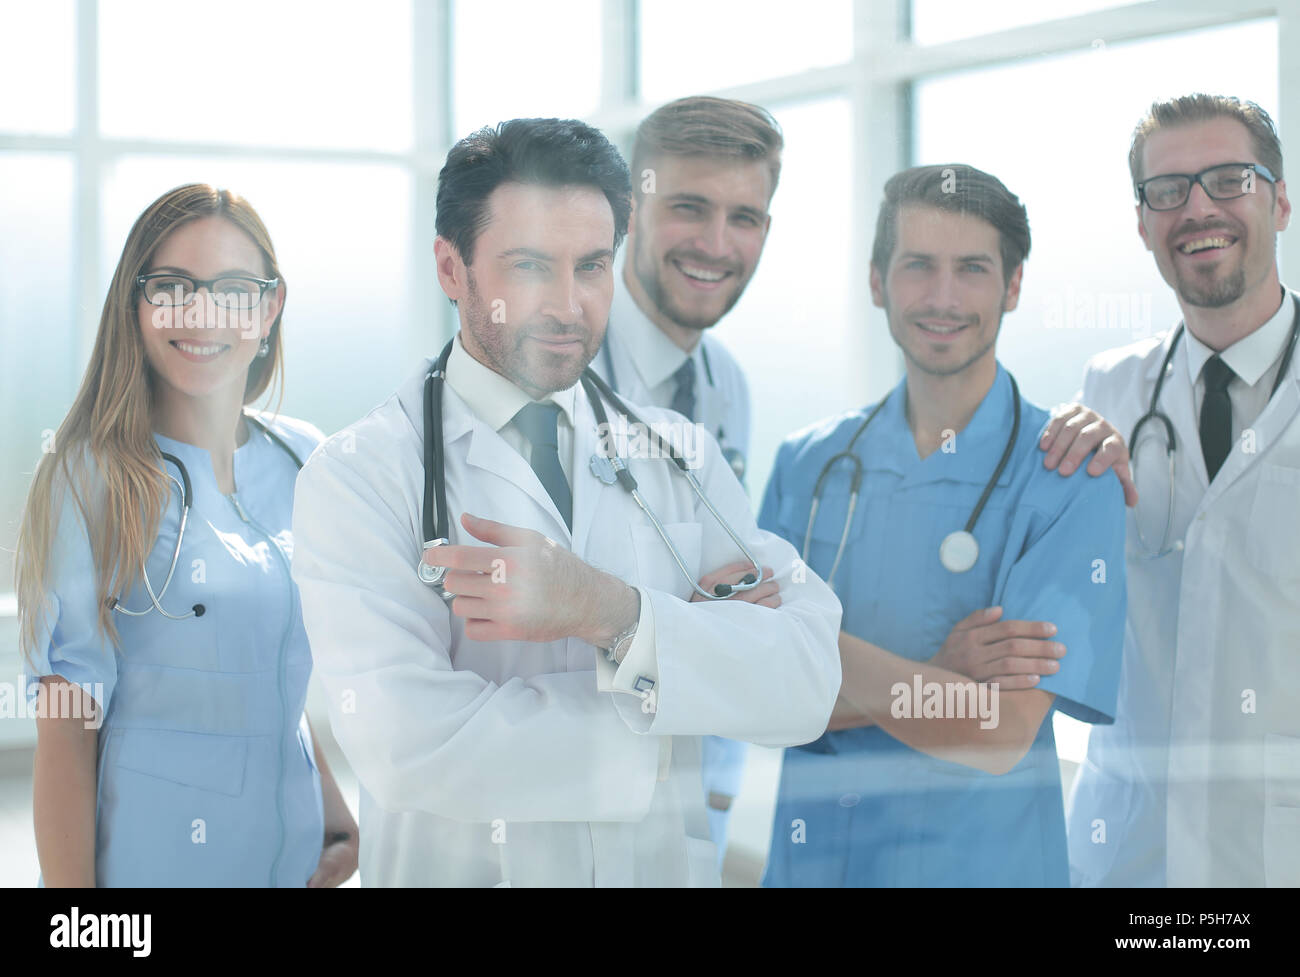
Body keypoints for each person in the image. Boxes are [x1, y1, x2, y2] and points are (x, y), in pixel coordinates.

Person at [289, 117, 842, 887]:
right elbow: (412, 748)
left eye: (591, 265)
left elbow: (804, 683)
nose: (567, 304)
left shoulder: (678, 452)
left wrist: (607, 610)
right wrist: (679, 690)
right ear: (452, 268)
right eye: (528, 266)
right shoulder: (358, 476)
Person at [759, 164, 1128, 887]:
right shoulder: (807, 465)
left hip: (983, 866)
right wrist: (939, 680)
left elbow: (997, 732)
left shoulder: (1070, 474)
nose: (942, 296)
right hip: (814, 864)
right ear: (876, 281)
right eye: (918, 266)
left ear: (1013, 286)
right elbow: (756, 701)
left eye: (972, 269)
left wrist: (813, 654)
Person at [15, 184, 358, 887]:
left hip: (289, 866)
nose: (200, 313)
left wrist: (334, 818)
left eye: (233, 289)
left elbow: (269, 678)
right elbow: (66, 730)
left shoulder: (305, 461)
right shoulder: (88, 478)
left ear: (270, 307)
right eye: (171, 286)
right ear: (135, 306)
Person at [1067, 94, 1300, 888]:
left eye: (1229, 179)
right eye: (1167, 191)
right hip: (1131, 845)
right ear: (1143, 226)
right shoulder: (1107, 388)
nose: (1197, 207)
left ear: (1280, 202)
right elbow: (1069, 604)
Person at [591, 95, 782, 863]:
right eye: (689, 208)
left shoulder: (724, 385)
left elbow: (731, 597)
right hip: (567, 797)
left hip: (688, 799)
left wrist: (723, 786)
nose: (716, 242)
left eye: (746, 216)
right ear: (628, 209)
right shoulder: (550, 370)